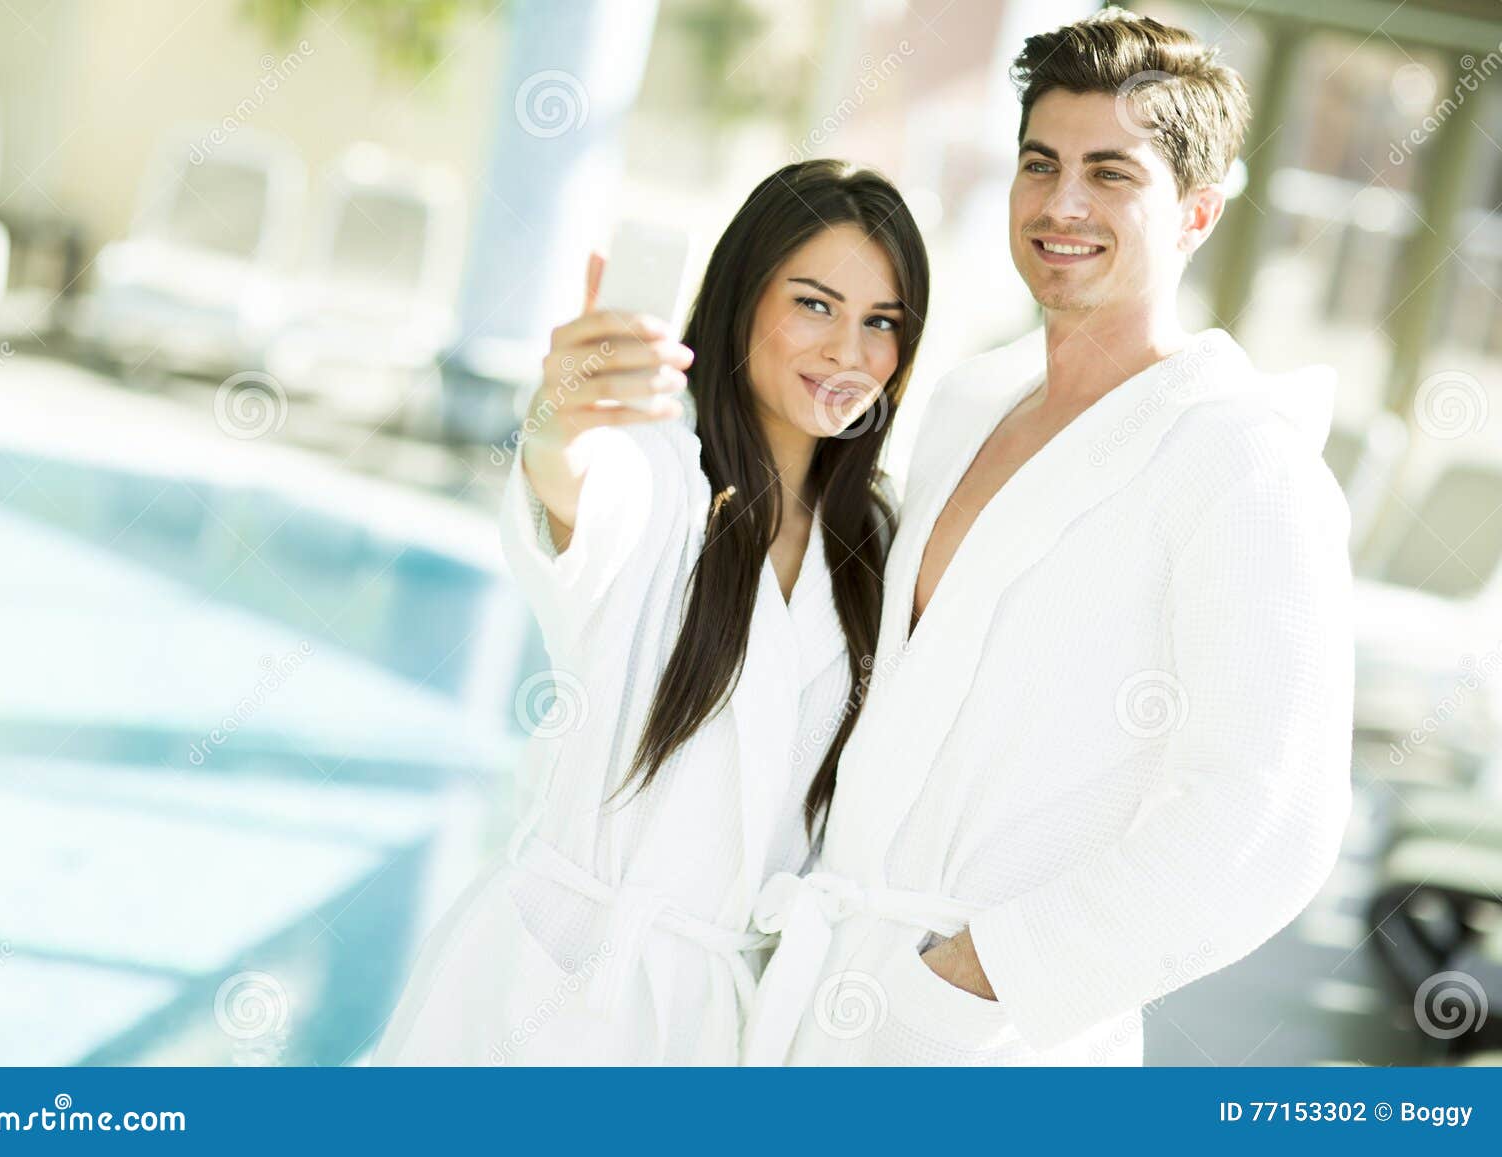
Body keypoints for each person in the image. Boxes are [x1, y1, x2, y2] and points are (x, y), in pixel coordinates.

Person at [742, 8, 1354, 1066]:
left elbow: (1265, 814)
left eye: (1111, 173)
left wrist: (983, 969)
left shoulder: (1239, 460)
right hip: (822, 989)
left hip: (989, 1041)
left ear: (1197, 211)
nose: (1062, 204)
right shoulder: (968, 402)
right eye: (1041, 162)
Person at [373, 159, 929, 1064]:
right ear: (742, 298)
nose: (848, 353)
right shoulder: (662, 471)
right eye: (816, 305)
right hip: (545, 996)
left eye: (882, 323)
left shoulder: (873, 542)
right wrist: (562, 416)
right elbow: (577, 481)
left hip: (724, 1021)